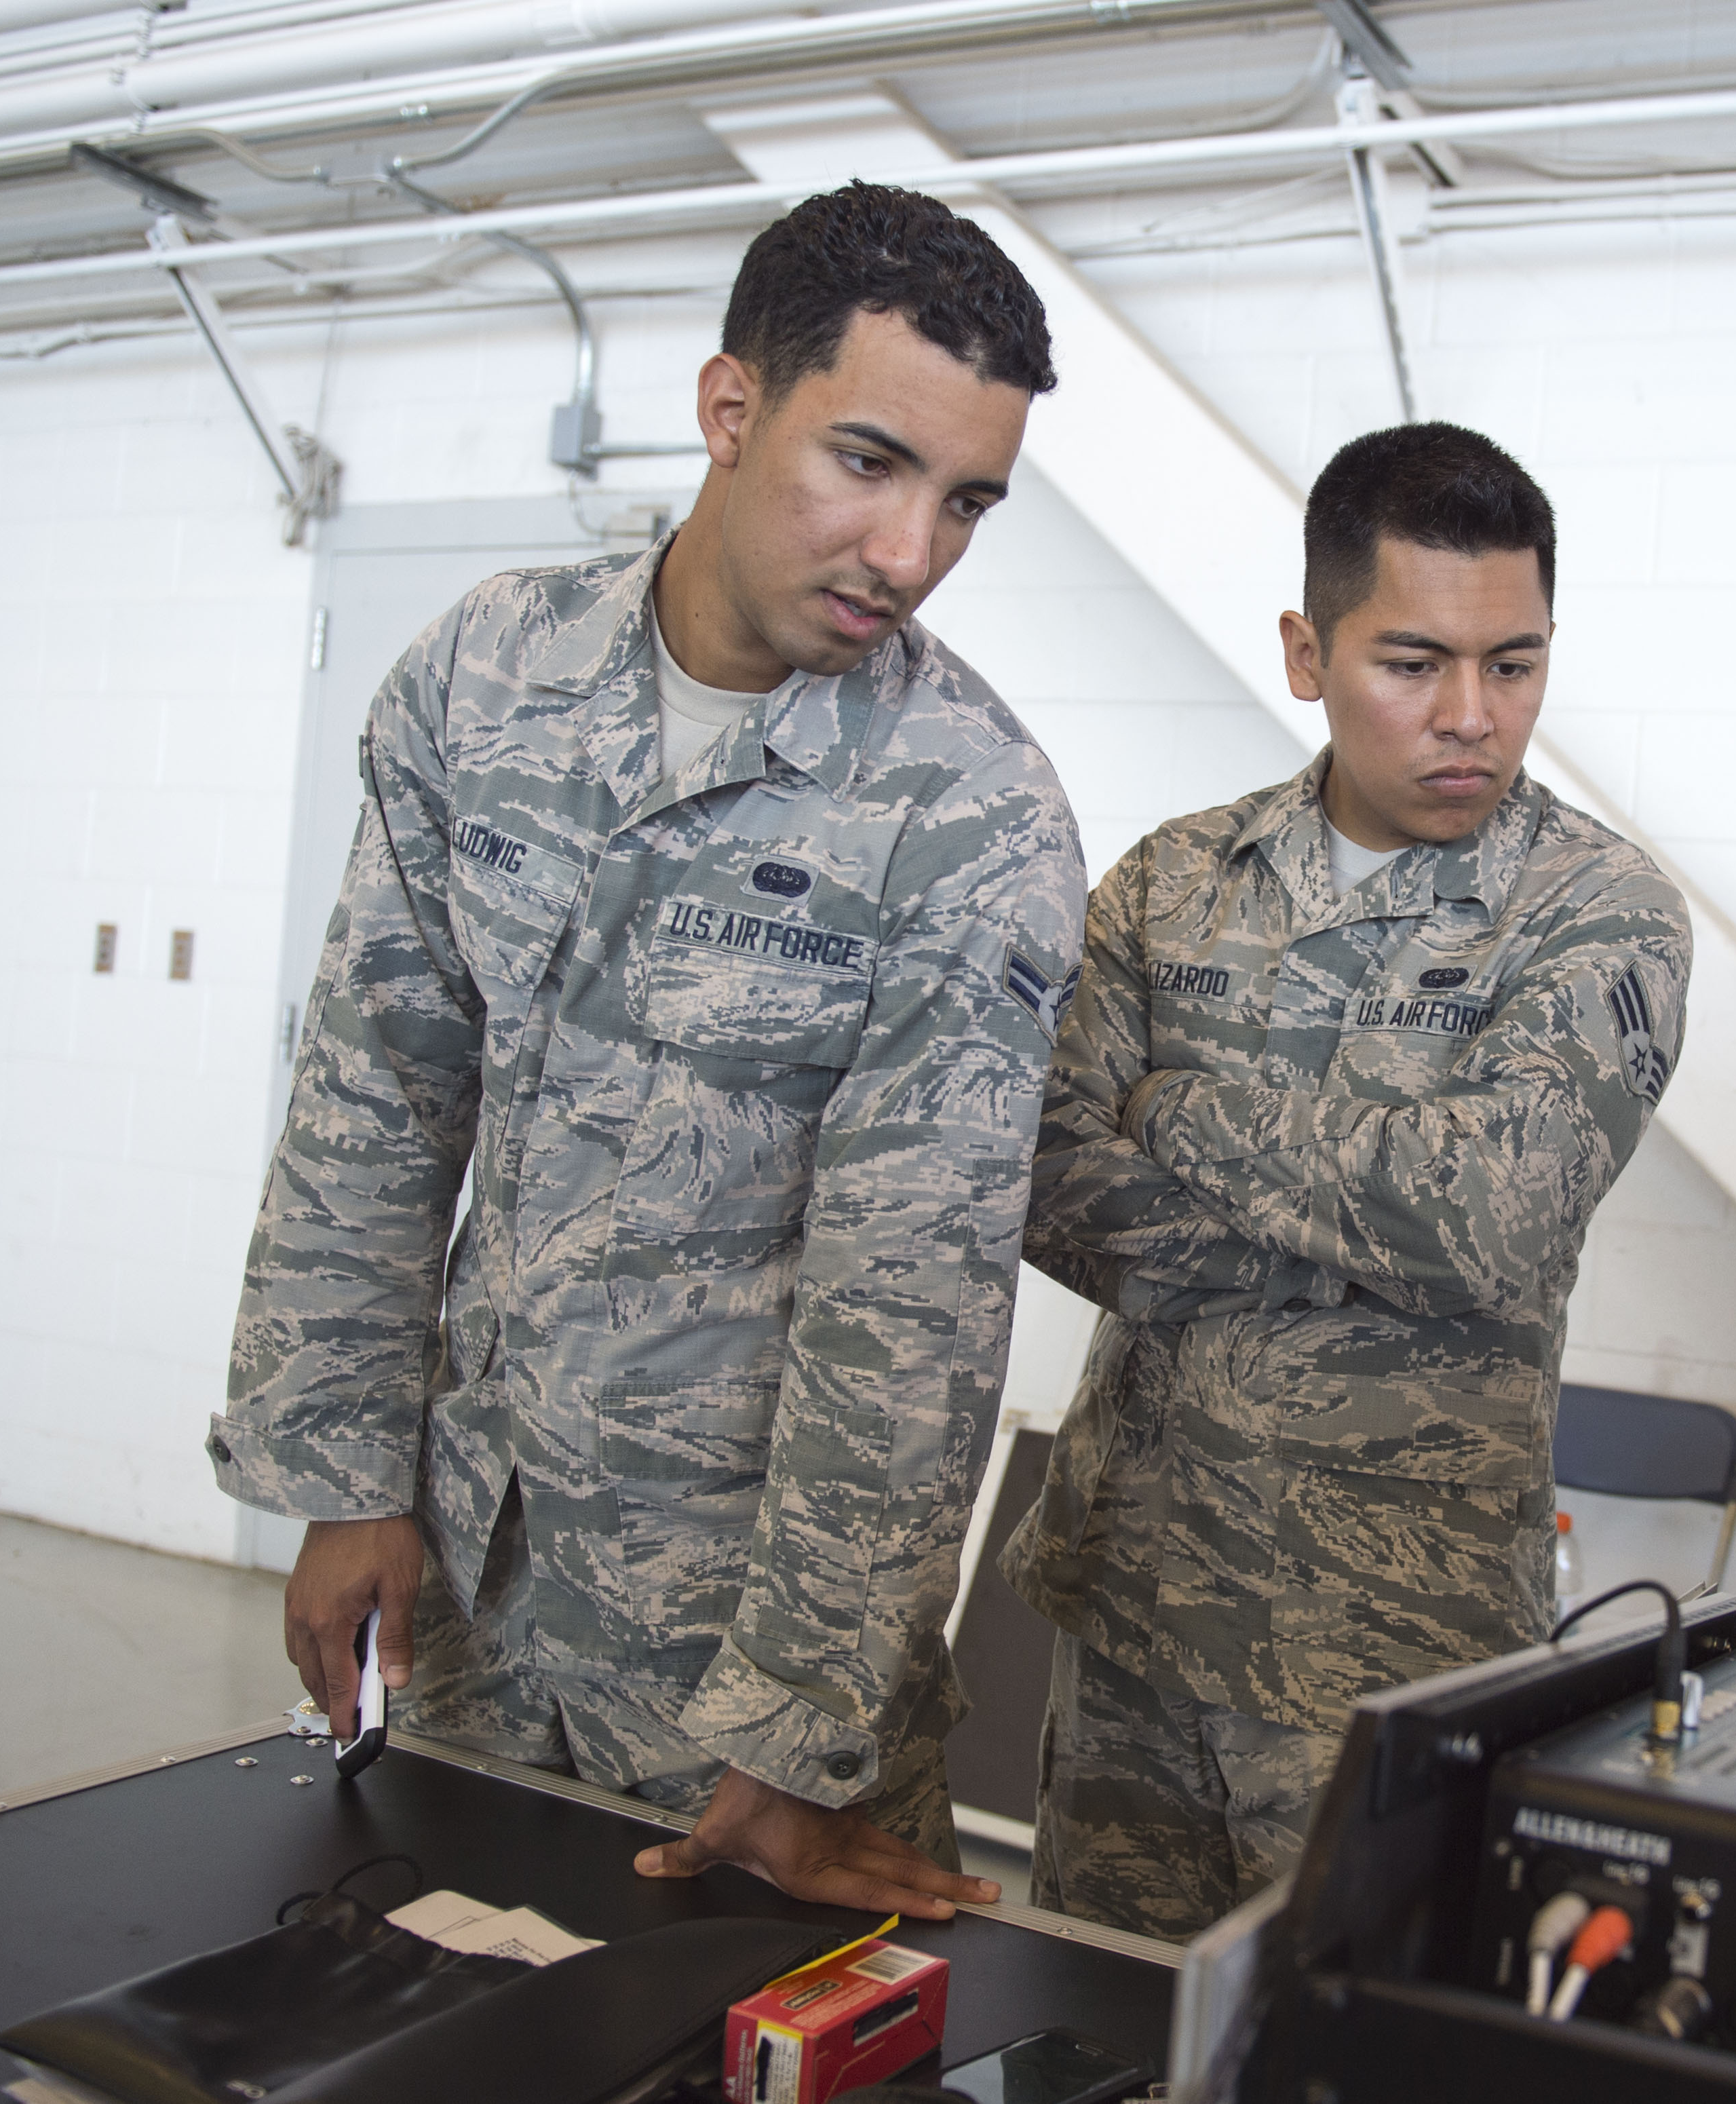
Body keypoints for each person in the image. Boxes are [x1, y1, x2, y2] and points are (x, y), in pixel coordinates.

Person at [208, 183, 1085, 1918]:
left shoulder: (971, 814)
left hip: (739, 1678)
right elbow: (376, 1092)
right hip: (467, 1596)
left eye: (964, 501)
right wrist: (343, 1478)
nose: (907, 552)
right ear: (729, 406)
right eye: (867, 463)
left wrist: (799, 1725)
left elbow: (910, 1310)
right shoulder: (483, 677)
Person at [1003, 423, 1694, 1938]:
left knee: (1349, 2038)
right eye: (1413, 663)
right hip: (1134, 1611)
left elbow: (1493, 1218)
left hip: (1393, 1648)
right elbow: (1041, 1172)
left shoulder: (1597, 911)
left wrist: (1173, 1108)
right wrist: (1366, 1258)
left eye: (1513, 664)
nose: (1470, 717)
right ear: (1307, 653)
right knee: (1087, 2019)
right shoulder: (1175, 881)